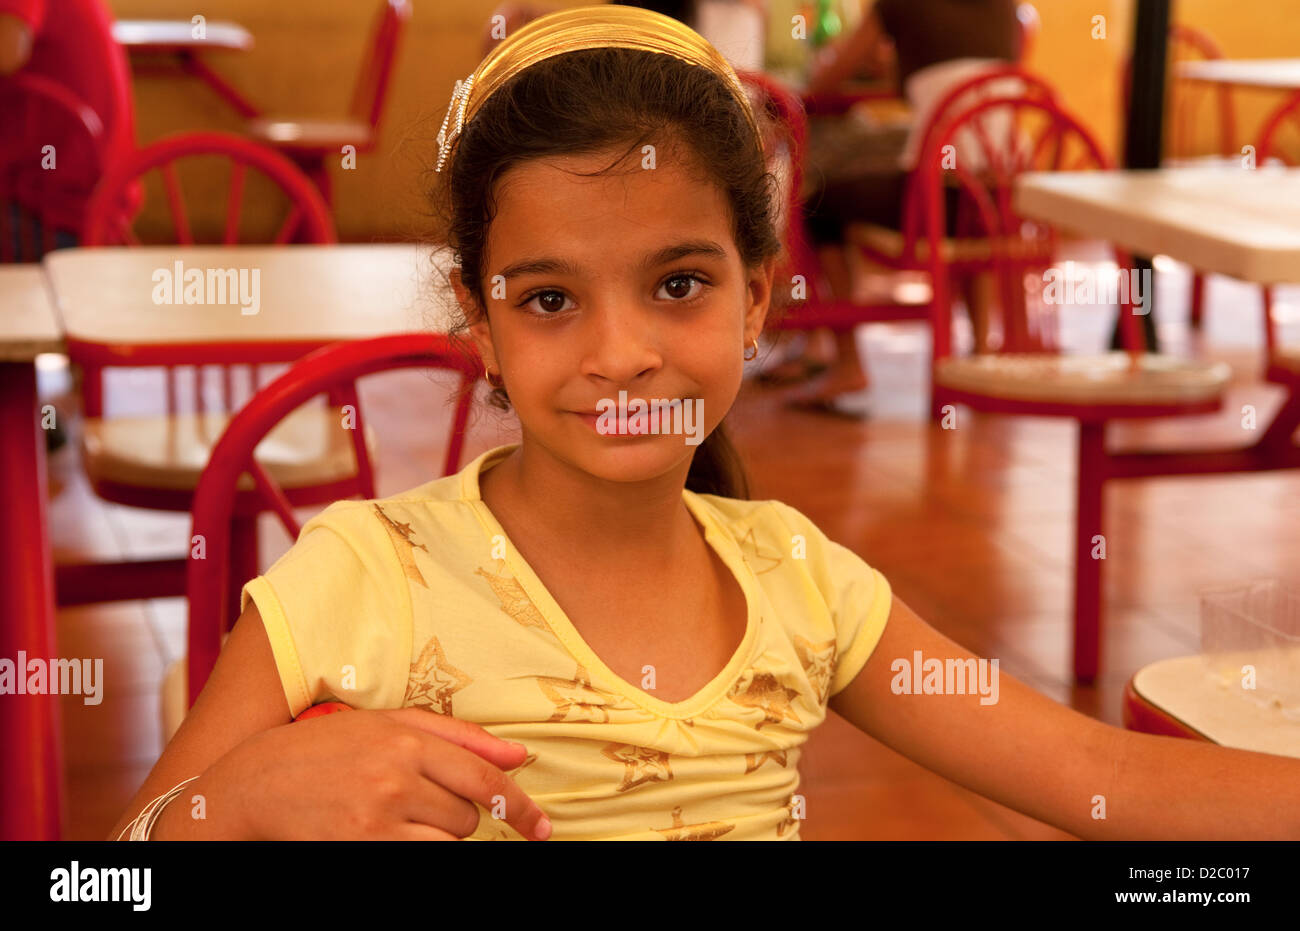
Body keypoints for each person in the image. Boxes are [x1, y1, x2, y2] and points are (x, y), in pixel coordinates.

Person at [111, 5, 1300, 842]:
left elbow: (1099, 776)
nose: (621, 352)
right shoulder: (360, 576)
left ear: (758, 301)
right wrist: (236, 803)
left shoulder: (798, 584)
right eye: (549, 299)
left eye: (677, 283)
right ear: (481, 321)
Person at [778, 0, 1021, 413]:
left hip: (937, 201)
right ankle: (981, 357)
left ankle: (848, 362)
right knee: (967, 201)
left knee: (820, 202)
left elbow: (827, 84)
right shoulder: (1008, 7)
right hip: (1002, 197)